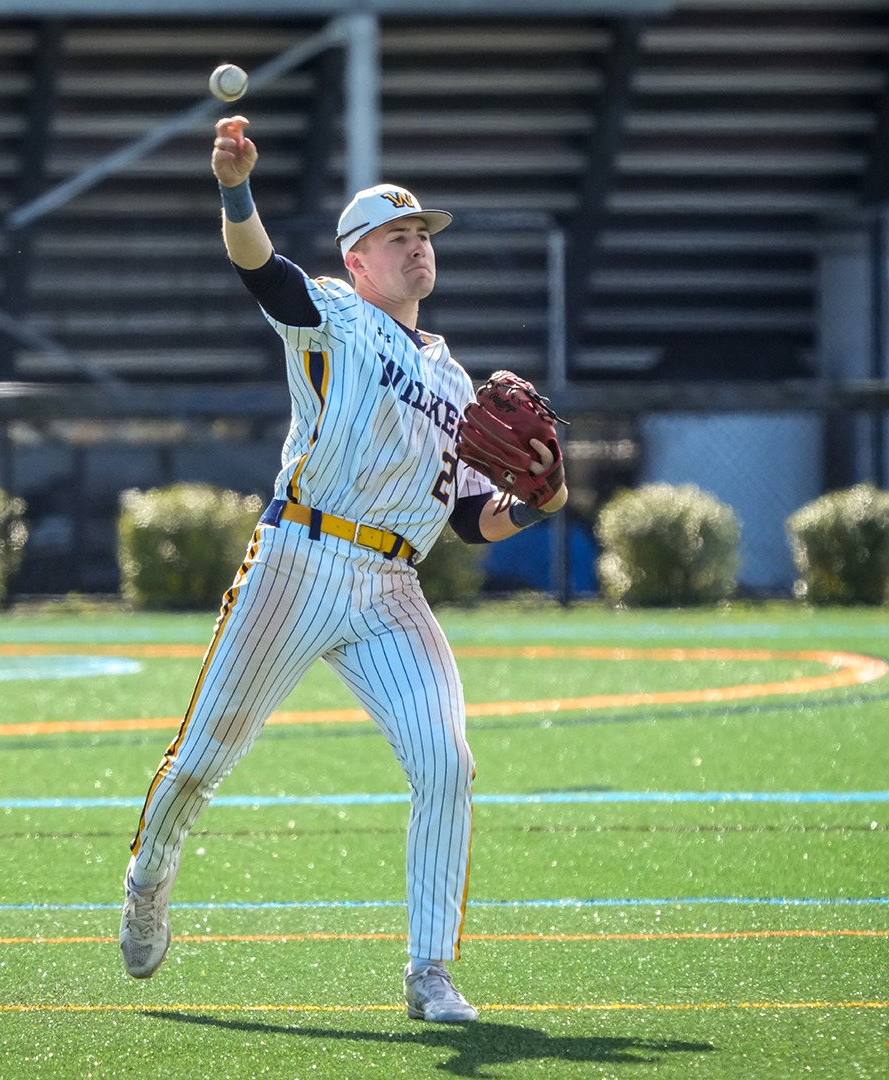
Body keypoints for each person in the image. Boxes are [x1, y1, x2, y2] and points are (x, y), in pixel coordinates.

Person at [119, 115, 569, 1023]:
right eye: (397, 238)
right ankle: (148, 876)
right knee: (203, 760)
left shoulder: (455, 381)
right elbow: (259, 267)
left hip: (393, 585)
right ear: (359, 259)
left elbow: (470, 523)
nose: (417, 249)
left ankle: (429, 970)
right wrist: (234, 188)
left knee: (447, 761)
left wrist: (542, 503)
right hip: (299, 555)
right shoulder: (335, 314)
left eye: (424, 237)